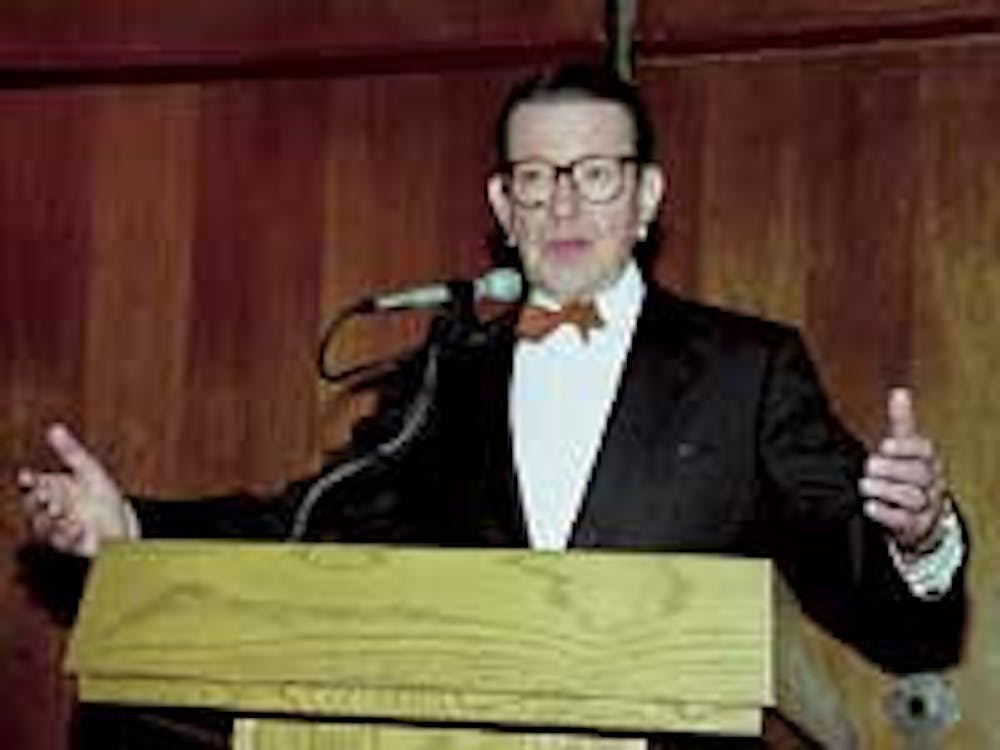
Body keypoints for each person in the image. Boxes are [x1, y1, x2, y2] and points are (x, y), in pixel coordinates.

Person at [20, 62, 965, 689]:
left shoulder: (748, 370)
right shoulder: (448, 373)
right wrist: (137, 526)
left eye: (595, 174)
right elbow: (307, 523)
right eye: (536, 178)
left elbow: (874, 590)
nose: (563, 203)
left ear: (646, 197)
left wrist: (919, 534)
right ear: (503, 207)